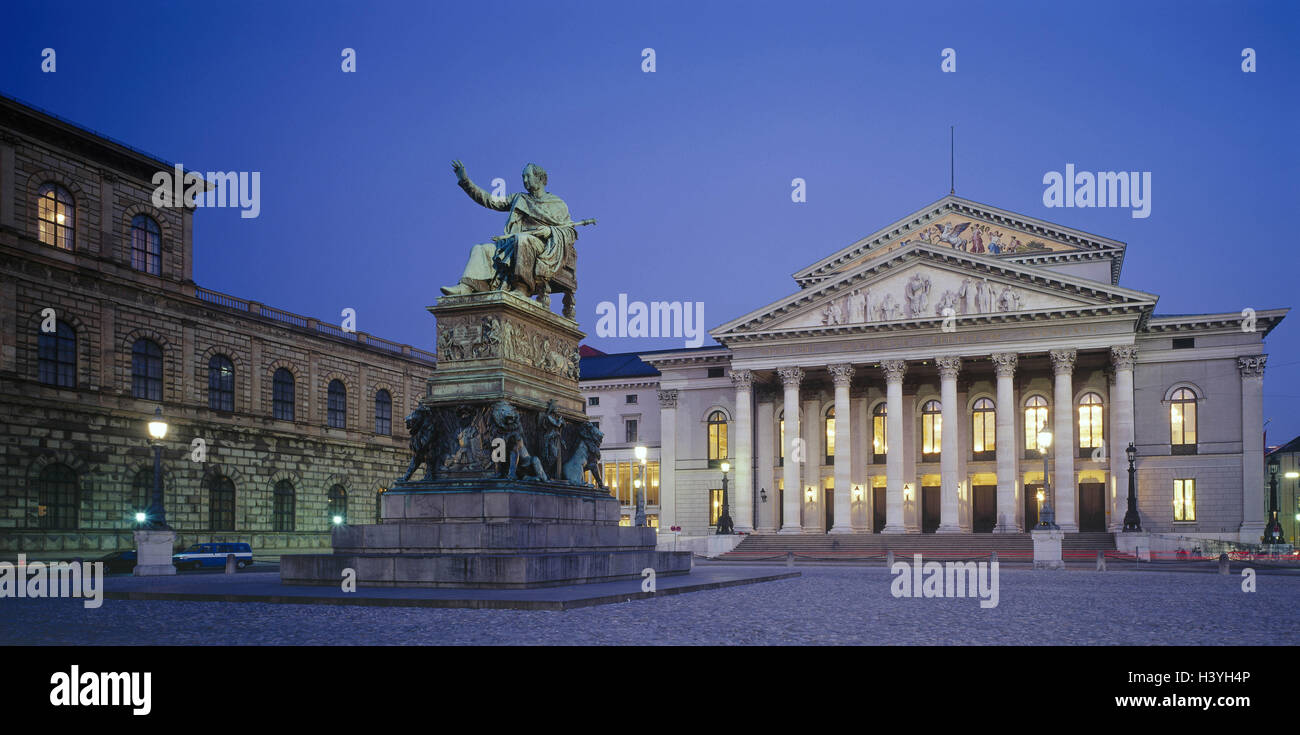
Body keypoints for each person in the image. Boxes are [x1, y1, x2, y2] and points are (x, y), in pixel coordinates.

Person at [440, 161, 577, 298]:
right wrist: (465, 181)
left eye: (527, 176)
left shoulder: (557, 204)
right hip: (513, 244)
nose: (524, 180)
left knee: (522, 239)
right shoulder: (519, 198)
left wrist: (550, 232)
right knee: (481, 249)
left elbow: (570, 232)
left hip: (542, 247)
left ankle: (522, 287)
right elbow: (490, 200)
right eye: (523, 177)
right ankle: (467, 286)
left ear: (540, 178)